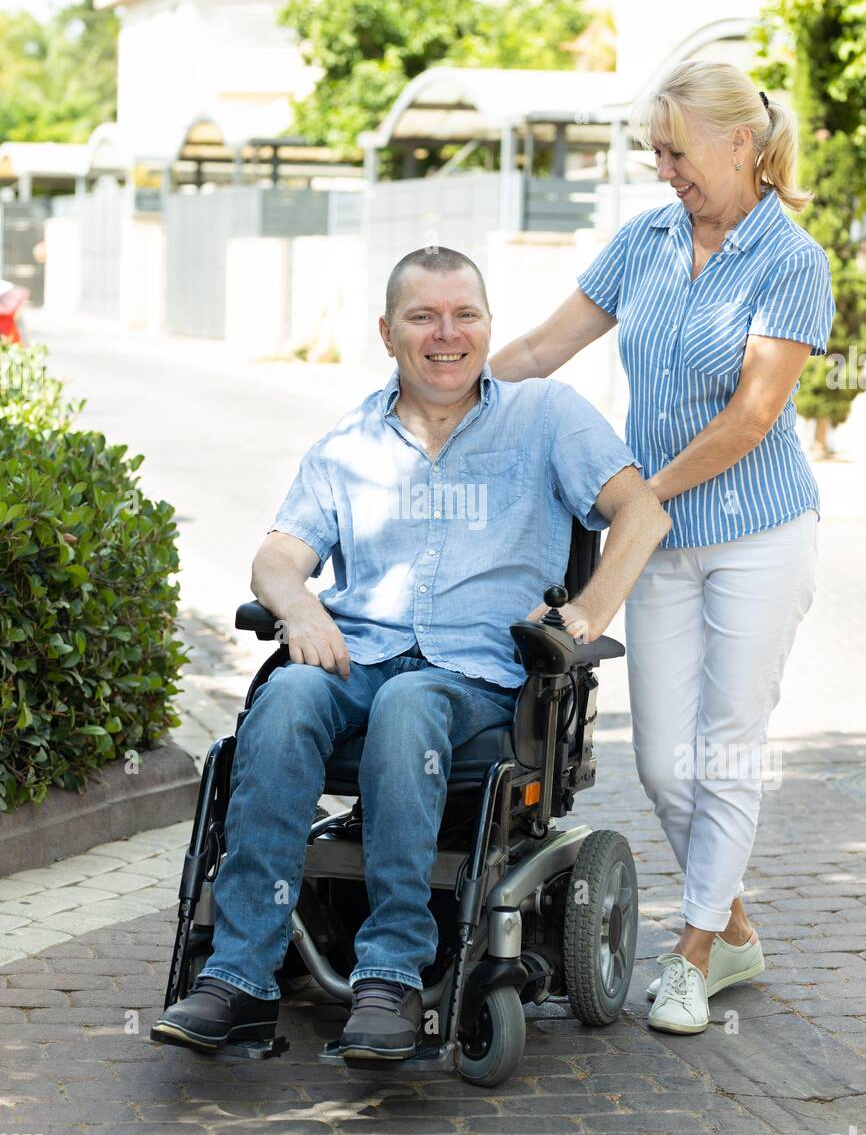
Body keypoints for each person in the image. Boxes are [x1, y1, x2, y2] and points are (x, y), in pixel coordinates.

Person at [152, 246, 670, 1059]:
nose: (447, 334)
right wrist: (299, 609)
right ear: (388, 332)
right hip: (360, 659)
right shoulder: (349, 442)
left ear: (488, 326)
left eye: (466, 315)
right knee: (285, 696)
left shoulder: (545, 416)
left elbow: (641, 514)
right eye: (424, 317)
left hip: (479, 683)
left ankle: (391, 974)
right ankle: (239, 979)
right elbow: (277, 557)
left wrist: (583, 614)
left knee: (410, 701)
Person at [490, 60, 836, 1035]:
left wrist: (641, 493)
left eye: (674, 151)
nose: (662, 170)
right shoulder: (643, 239)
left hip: (757, 535)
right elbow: (544, 347)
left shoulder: (789, 260)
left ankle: (690, 958)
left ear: (738, 143)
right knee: (658, 762)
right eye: (654, 151)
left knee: (724, 748)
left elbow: (751, 416)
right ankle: (729, 922)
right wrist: (448, 383)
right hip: (658, 538)